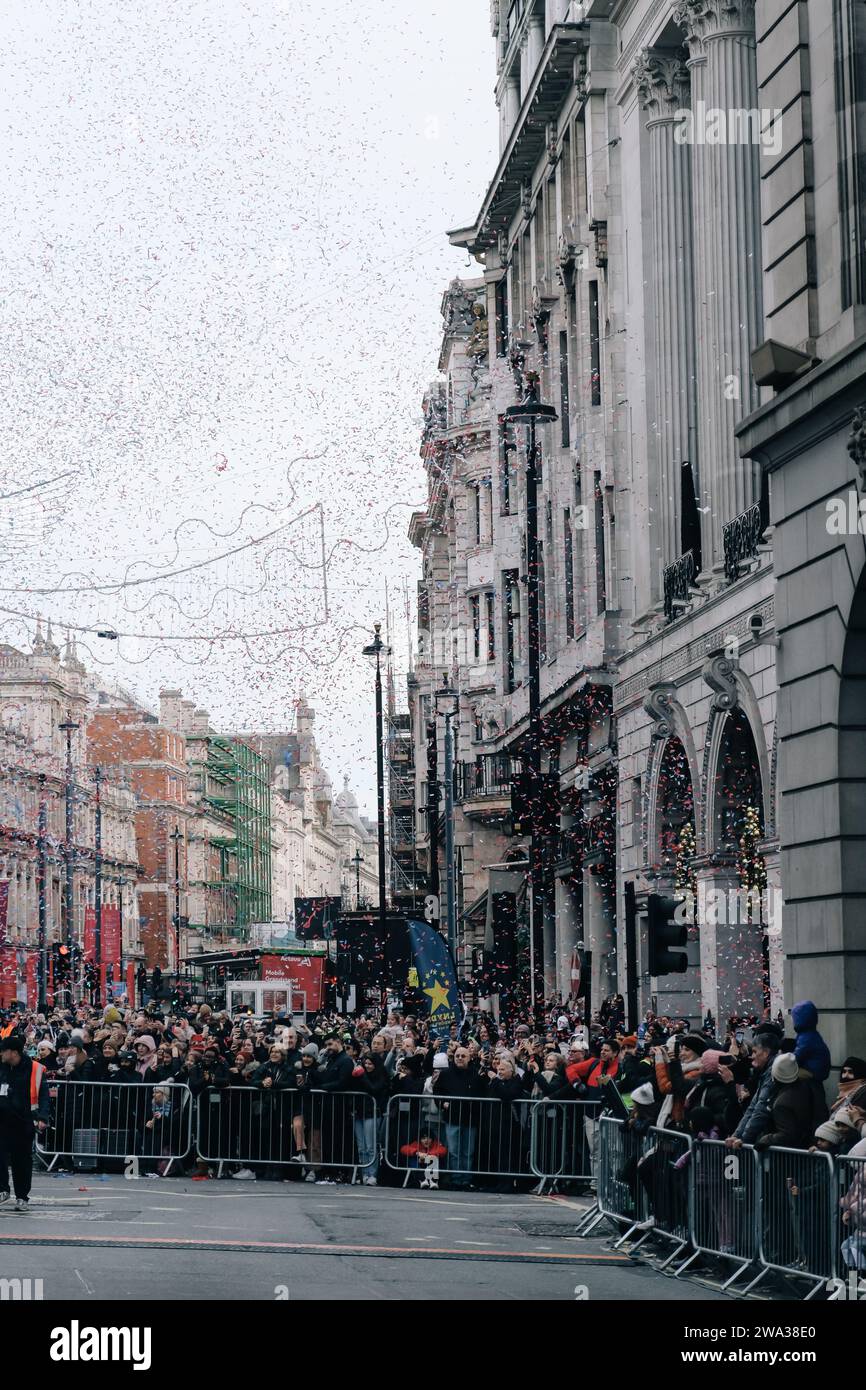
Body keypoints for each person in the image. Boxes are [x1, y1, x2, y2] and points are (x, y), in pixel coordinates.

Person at [0, 1034, 49, 1210]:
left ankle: (22, 1197)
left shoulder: (35, 1068)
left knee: (22, 1161)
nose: (1, 1054)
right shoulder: (2, 1068)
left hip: (24, 1122)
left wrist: (43, 1117)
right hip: (2, 1120)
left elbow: (44, 1095)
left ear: (13, 1052)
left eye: (3, 1051)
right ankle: (2, 1190)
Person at [435, 1045, 487, 1190]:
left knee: (468, 1152)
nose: (459, 1058)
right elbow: (437, 1091)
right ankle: (456, 1179)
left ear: (469, 1058)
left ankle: (466, 1179)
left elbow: (482, 1092)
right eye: (457, 1055)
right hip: (452, 1117)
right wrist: (442, 1103)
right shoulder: (446, 1074)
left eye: (463, 1056)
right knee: (453, 1151)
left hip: (470, 1119)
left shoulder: (475, 1074)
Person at [754, 1052, 829, 1150]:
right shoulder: (809, 1086)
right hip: (812, 1146)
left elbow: (787, 1135)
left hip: (794, 1153)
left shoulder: (781, 1103)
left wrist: (766, 1139)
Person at [726, 1031, 781, 1149]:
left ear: (766, 1053)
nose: (752, 1056)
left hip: (773, 1136)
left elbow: (761, 1108)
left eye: (755, 1052)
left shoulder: (772, 1073)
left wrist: (743, 1139)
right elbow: (753, 1107)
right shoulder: (765, 1071)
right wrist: (737, 1135)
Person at [791, 1001, 831, 1083]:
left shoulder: (806, 1037)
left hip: (813, 1072)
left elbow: (796, 1057)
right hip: (814, 1070)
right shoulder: (809, 1034)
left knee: (785, 1074)